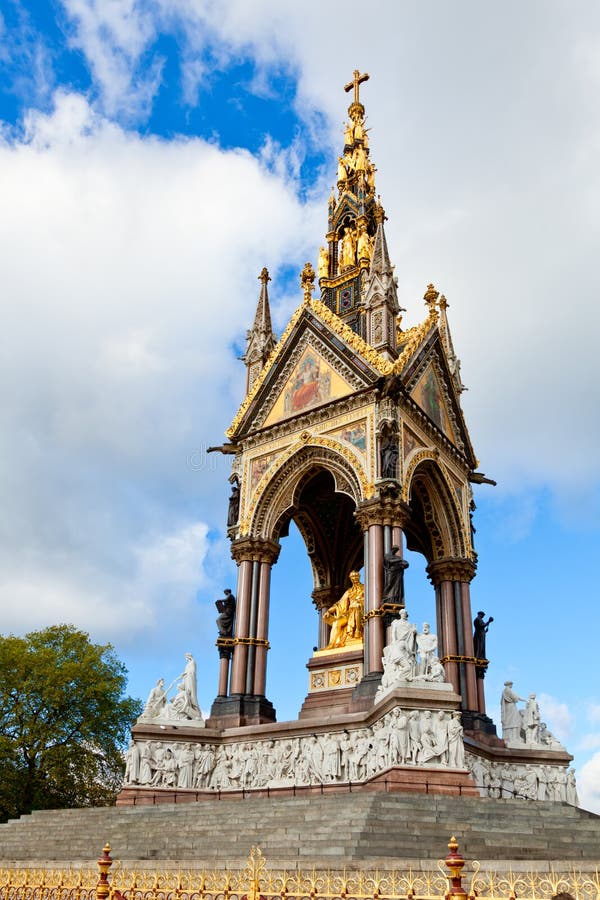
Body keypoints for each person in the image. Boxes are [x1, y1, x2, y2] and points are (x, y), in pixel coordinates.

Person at [323, 572, 364, 649]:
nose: (354, 579)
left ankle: (357, 633)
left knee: (356, 607)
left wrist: (359, 603)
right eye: (352, 577)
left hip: (361, 610)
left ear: (359, 576)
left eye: (356, 576)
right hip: (349, 613)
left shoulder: (365, 588)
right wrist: (329, 611)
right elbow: (339, 604)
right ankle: (331, 644)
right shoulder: (349, 591)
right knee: (336, 623)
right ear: (350, 579)